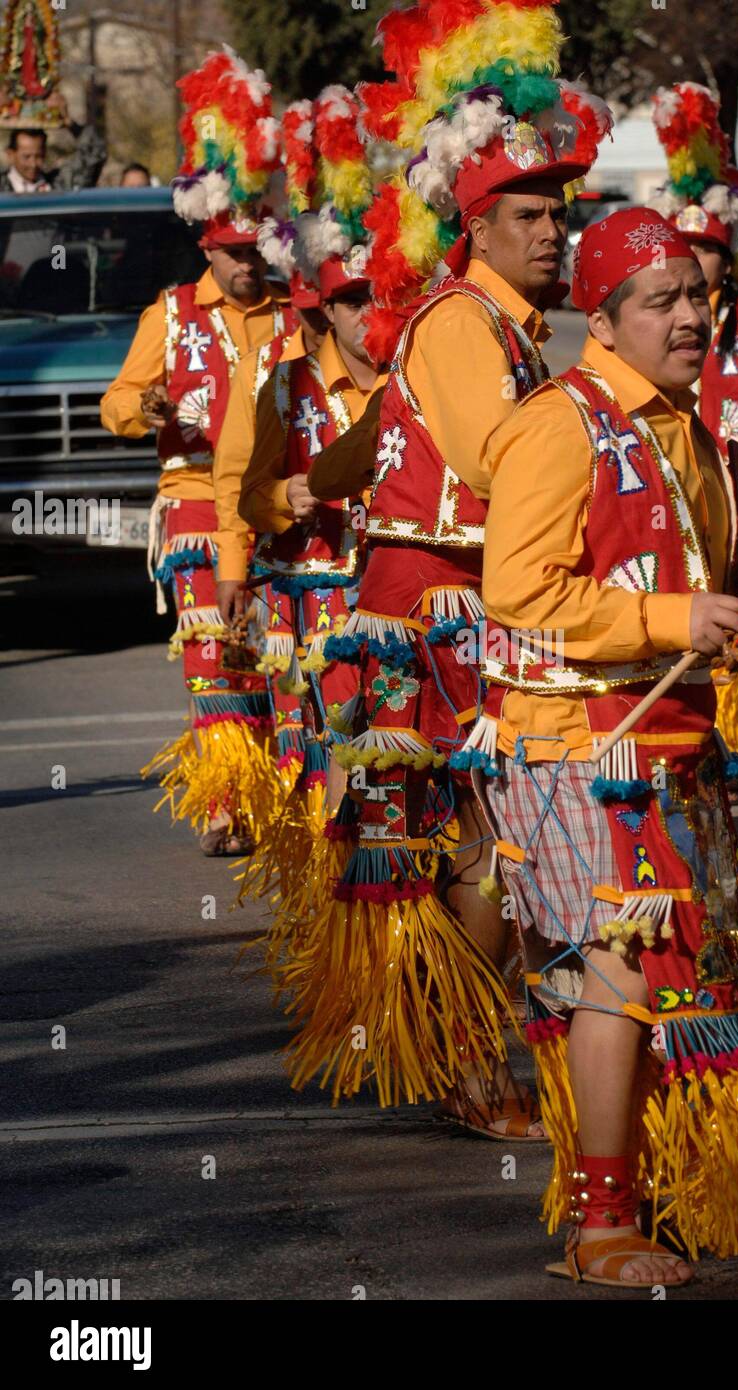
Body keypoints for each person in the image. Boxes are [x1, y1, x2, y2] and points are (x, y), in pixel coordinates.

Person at [291, 0, 611, 1130]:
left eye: (560, 214)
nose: (554, 232)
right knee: (487, 838)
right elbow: (497, 459)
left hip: (444, 594)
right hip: (438, 599)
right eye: (529, 215)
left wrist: (313, 482)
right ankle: (471, 1062)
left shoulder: (494, 325)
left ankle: (450, 1046)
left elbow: (363, 444)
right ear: (475, 225)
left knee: (476, 842)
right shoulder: (467, 322)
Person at [476, 207, 738, 1286]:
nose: (693, 316)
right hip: (578, 746)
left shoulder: (687, 428)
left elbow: (683, 567)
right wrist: (670, 619)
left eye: (700, 294)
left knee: (696, 972)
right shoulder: (559, 423)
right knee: (614, 975)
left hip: (676, 739)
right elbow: (515, 599)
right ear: (601, 320)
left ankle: (660, 1185)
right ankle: (599, 1223)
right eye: (665, 300)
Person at [100, 48, 296, 856]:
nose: (248, 265)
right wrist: (143, 405)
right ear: (207, 249)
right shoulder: (173, 312)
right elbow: (115, 400)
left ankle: (290, 790)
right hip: (191, 502)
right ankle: (228, 800)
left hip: (282, 499)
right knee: (216, 659)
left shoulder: (298, 314)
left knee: (284, 656)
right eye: (233, 253)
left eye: (257, 252)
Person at [231, 88, 385, 906]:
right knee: (319, 758)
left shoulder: (413, 383)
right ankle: (329, 910)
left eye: (374, 298)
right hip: (307, 606)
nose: (366, 317)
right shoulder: (285, 384)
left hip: (392, 601)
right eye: (350, 303)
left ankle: (384, 911)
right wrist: (279, 496)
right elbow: (247, 492)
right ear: (323, 310)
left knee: (385, 763)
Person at [651, 82, 738, 798]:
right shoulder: (657, 322)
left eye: (706, 249)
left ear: (726, 254)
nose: (696, 262)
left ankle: (727, 752)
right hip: (683, 497)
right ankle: (686, 741)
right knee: (687, 615)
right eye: (684, 249)